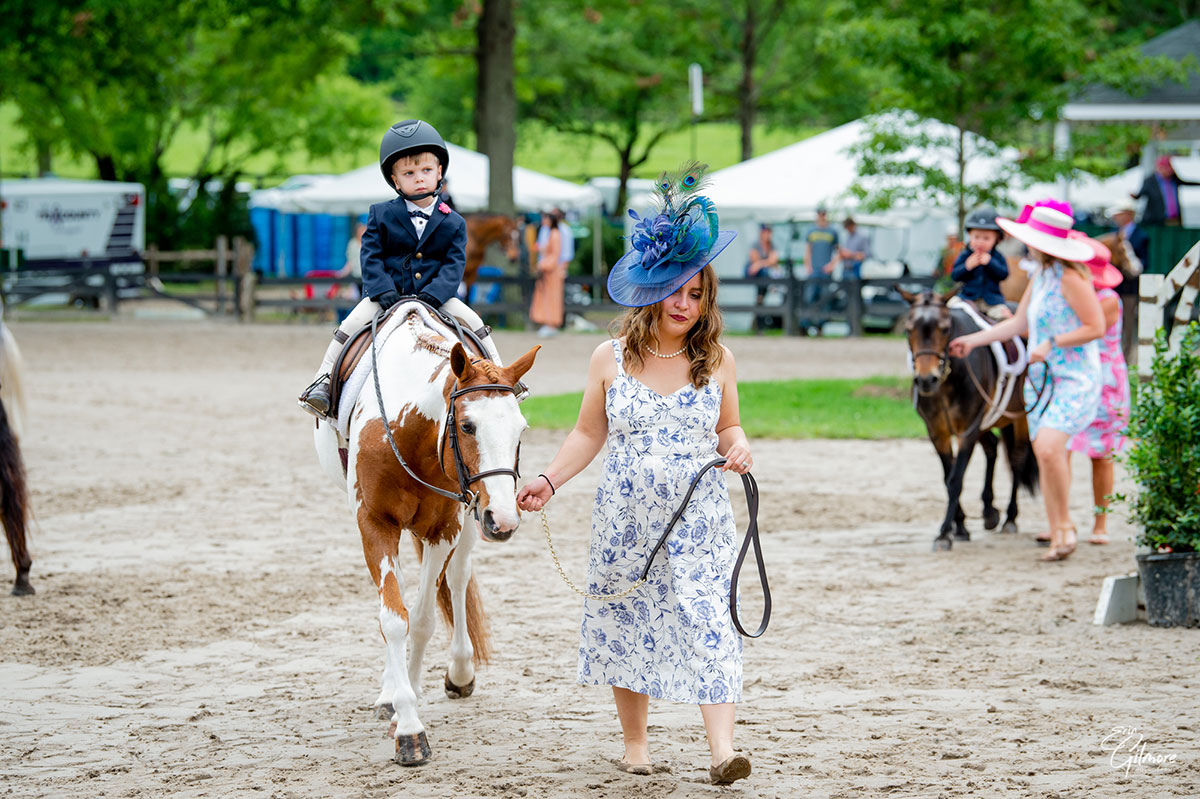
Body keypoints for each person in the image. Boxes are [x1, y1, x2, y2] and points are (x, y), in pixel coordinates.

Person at [516, 171, 754, 785]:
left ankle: (723, 751)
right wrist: (549, 479)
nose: (684, 304)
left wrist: (738, 445)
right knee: (628, 623)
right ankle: (636, 746)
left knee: (710, 620)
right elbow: (587, 433)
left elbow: (728, 427)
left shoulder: (718, 360)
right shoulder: (610, 357)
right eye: (674, 290)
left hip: (700, 520)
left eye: (696, 294)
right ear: (651, 290)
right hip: (626, 521)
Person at [298, 119, 517, 417]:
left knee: (474, 322)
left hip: (436, 297)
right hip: (387, 296)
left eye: (426, 170)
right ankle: (322, 382)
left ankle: (502, 378)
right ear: (396, 180)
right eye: (409, 173)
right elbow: (370, 256)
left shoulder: (453, 221)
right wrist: (383, 290)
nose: (419, 179)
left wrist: (435, 294)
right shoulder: (380, 214)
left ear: (439, 172)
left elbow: (454, 264)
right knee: (349, 325)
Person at [949, 199, 1106, 562]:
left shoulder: (1071, 279)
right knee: (1046, 453)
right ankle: (1059, 529)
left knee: (1049, 447)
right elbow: (1018, 324)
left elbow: (1095, 326)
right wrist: (973, 340)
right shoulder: (1041, 277)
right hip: (1041, 380)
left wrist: (1053, 342)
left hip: (1073, 378)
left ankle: (1065, 525)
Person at [1065, 236, 1129, 546]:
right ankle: (1060, 519)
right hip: (1075, 377)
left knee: (1101, 455)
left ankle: (1100, 523)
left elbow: (1081, 330)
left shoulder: (1107, 300)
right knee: (1060, 449)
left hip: (1104, 381)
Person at [951, 206, 1012, 321]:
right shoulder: (966, 255)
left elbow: (1004, 274)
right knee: (949, 309)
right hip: (967, 298)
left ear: (997, 239)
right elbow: (955, 276)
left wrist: (990, 262)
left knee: (1005, 316)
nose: (980, 242)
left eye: (986, 238)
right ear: (969, 236)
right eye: (976, 237)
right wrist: (967, 266)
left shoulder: (997, 256)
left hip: (992, 301)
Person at [1108, 202, 1146, 361]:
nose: (1116, 217)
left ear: (1128, 214)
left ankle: (1126, 355)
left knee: (1128, 322)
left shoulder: (1141, 236)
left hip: (1129, 287)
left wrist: (1130, 268)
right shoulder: (1113, 235)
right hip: (1115, 287)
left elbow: (1144, 262)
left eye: (1119, 214)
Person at [1132, 155, 1198, 227]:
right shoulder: (1150, 181)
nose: (1168, 171)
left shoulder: (1174, 179)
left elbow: (1186, 182)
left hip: (1174, 220)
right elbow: (1141, 193)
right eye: (1165, 168)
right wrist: (1135, 196)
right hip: (1156, 221)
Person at [802, 207, 839, 333]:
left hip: (826, 271)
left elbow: (838, 251)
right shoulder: (811, 231)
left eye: (824, 214)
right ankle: (807, 325)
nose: (822, 216)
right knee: (809, 297)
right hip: (814, 271)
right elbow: (808, 249)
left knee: (825, 299)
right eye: (820, 214)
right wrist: (807, 265)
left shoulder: (832, 231)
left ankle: (820, 326)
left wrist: (832, 265)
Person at [530, 211, 564, 337]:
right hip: (548, 271)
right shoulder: (551, 233)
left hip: (552, 272)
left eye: (545, 218)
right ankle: (547, 322)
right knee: (545, 297)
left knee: (552, 298)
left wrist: (542, 265)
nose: (543, 220)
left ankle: (552, 323)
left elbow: (555, 255)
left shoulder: (555, 234)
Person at [744, 224, 781, 333]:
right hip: (753, 273)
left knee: (767, 273)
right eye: (766, 232)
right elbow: (754, 261)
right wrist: (764, 263)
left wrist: (760, 264)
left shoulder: (772, 245)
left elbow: (773, 261)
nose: (768, 234)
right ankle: (767, 290)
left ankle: (761, 296)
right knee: (766, 272)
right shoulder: (756, 244)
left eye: (769, 232)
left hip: (762, 274)